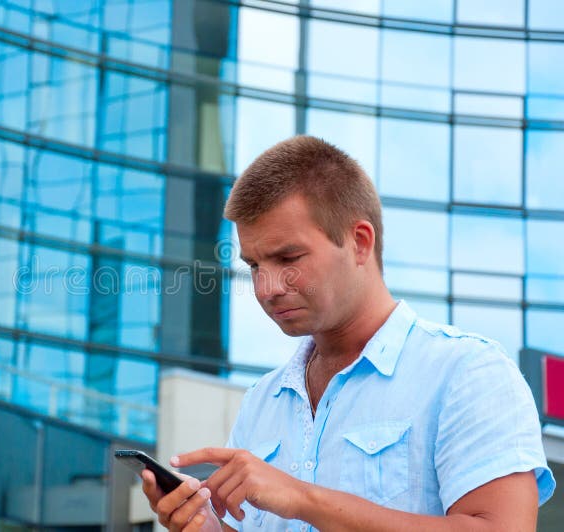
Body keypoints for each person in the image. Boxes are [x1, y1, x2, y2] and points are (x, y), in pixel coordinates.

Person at [139, 135, 555, 531]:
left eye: (288, 257)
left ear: (359, 242)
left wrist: (303, 498)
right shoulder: (261, 403)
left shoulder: (469, 373)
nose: (266, 288)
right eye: (254, 266)